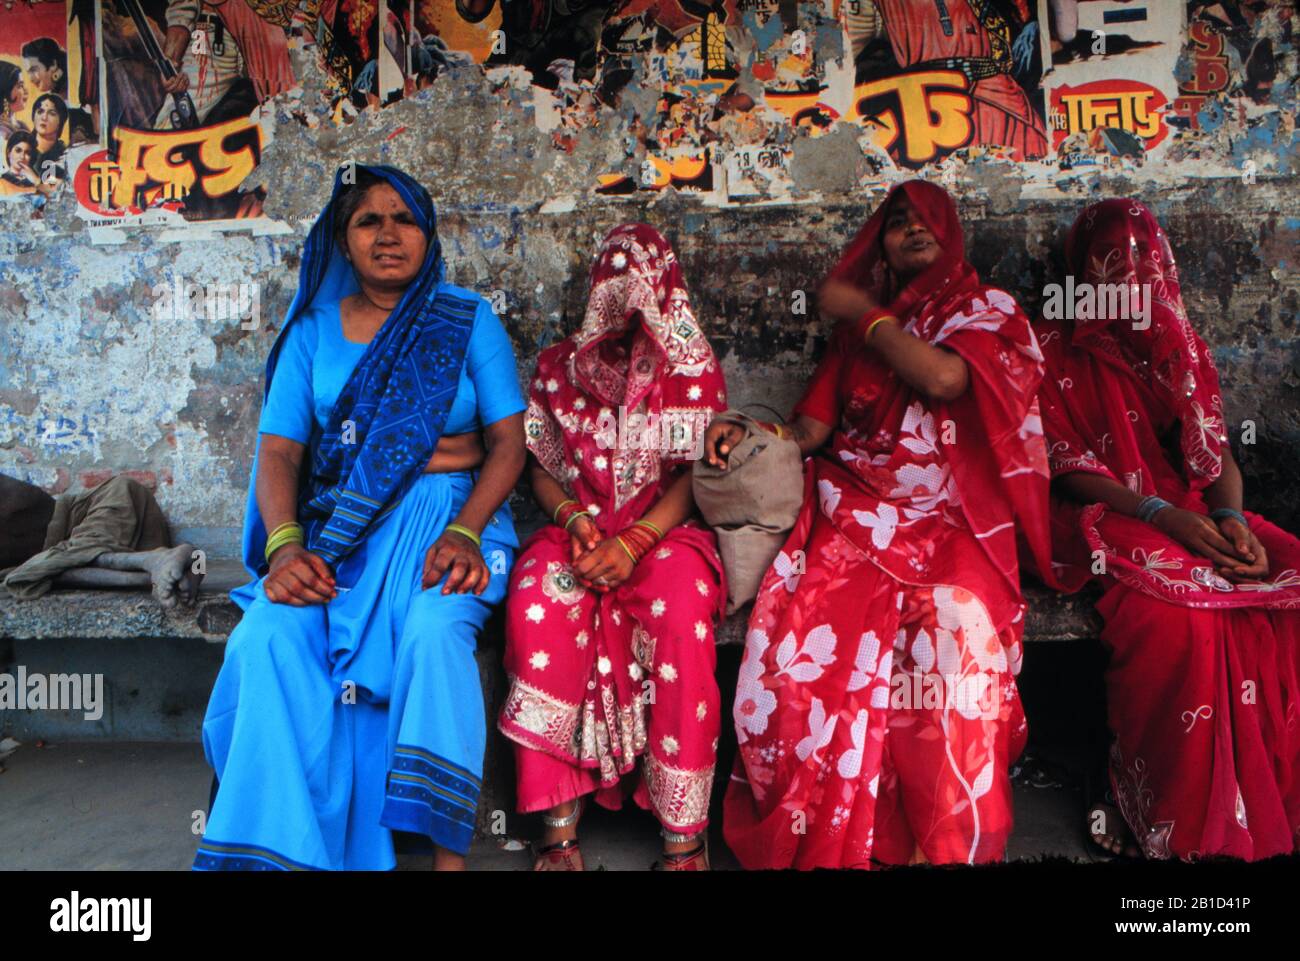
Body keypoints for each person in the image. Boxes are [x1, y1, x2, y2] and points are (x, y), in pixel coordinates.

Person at [194, 164, 527, 871]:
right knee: (265, 639)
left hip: (451, 530)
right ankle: (279, 848)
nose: (387, 235)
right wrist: (284, 548)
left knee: (437, 635)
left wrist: (466, 529)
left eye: (403, 218)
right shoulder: (313, 334)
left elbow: (508, 444)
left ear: (427, 233)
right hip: (338, 539)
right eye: (368, 221)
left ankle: (448, 858)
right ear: (343, 242)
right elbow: (280, 453)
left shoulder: (465, 320)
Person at [717, 180, 1054, 869]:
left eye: (926, 219)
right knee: (804, 646)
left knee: (952, 635)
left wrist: (869, 316)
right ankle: (854, 831)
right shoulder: (856, 333)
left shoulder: (988, 310)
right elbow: (811, 427)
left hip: (957, 518)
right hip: (856, 507)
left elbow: (944, 381)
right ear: (882, 244)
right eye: (896, 222)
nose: (911, 230)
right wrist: (746, 433)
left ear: (951, 230)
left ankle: (945, 839)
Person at [1035, 198, 1300, 861]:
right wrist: (1161, 515)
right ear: (1083, 276)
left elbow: (1217, 459)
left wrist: (1230, 520)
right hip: (1107, 510)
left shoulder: (1177, 339)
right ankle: (1160, 806)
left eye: (1142, 260)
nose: (1130, 278)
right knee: (1183, 610)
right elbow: (1063, 466)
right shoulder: (1049, 346)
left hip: (1186, 508)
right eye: (1112, 263)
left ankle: (1263, 796)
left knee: (1282, 577)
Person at [498, 223, 728, 871]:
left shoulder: (691, 368)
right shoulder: (556, 367)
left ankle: (683, 840)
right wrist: (571, 517)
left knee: (682, 614)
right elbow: (539, 464)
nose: (625, 303)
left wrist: (637, 541)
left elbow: (696, 476)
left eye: (640, 287)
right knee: (540, 594)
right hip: (581, 531)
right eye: (613, 285)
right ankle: (559, 832)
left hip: (667, 533)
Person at [0, 63, 30, 142]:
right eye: (20, 86)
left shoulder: (22, 126)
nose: (26, 91)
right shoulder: (2, 132)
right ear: (5, 92)